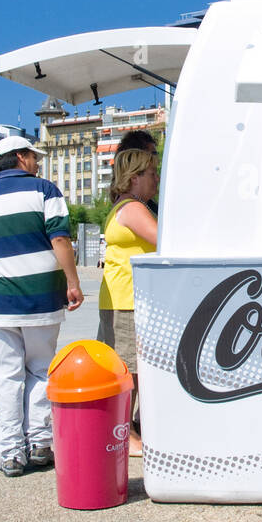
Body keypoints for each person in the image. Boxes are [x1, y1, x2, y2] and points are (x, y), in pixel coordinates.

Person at [0, 135, 84, 477]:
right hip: (40, 297)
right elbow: (60, 238)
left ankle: (10, 453)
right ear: (20, 157)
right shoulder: (45, 190)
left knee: (5, 378)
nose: (37, 162)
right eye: (33, 157)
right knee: (40, 369)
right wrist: (73, 282)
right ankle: (39, 443)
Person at [97, 148, 159, 457]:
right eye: (151, 173)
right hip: (127, 300)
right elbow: (164, 238)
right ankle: (125, 434)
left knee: (128, 367)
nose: (156, 179)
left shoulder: (124, 205)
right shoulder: (134, 208)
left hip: (122, 297)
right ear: (134, 178)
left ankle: (128, 429)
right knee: (129, 370)